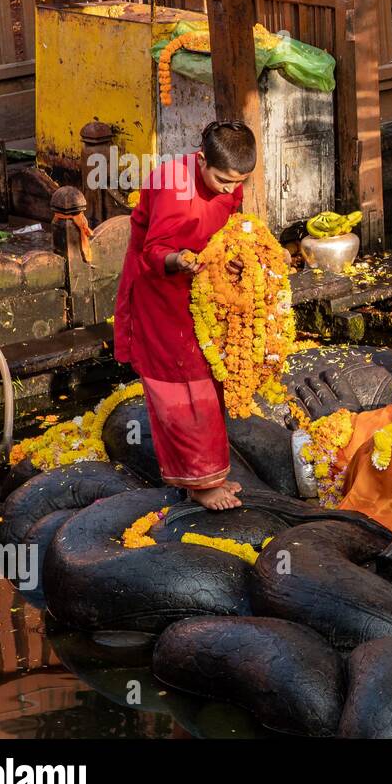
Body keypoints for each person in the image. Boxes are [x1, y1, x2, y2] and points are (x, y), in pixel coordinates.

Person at [114, 122, 257, 510]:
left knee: (210, 378)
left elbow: (226, 230)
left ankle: (211, 472)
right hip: (161, 291)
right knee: (180, 386)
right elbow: (154, 250)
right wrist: (182, 261)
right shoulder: (171, 185)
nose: (231, 189)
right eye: (224, 180)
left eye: (238, 182)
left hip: (203, 288)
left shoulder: (228, 184)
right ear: (199, 160)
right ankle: (199, 483)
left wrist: (233, 260)